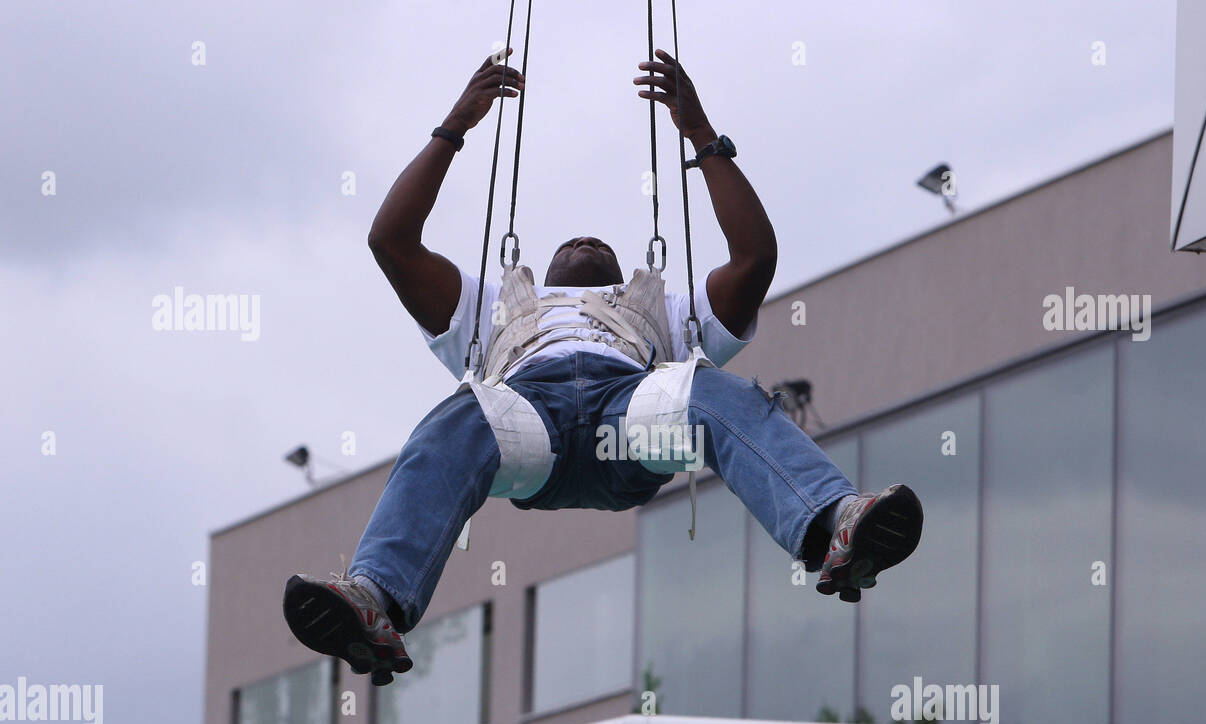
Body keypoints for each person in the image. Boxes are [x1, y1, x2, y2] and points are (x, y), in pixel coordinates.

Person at [284, 48, 923, 685]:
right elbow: (390, 240)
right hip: (528, 428)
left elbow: (755, 258)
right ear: (543, 272)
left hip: (632, 421)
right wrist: (455, 127)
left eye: (598, 244)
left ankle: (832, 524)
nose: (585, 241)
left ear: (624, 279)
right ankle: (376, 596)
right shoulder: (489, 309)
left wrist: (701, 135)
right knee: (456, 421)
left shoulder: (670, 315)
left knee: (713, 394)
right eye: (570, 242)